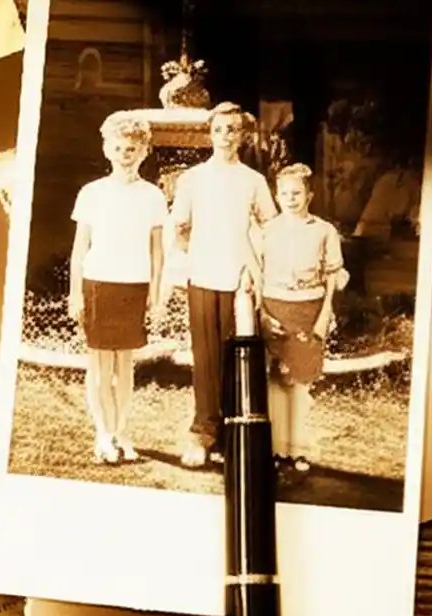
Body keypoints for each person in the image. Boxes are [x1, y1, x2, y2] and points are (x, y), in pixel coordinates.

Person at [170, 102, 278, 468]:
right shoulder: (193, 179)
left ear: (242, 135)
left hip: (240, 280)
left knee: (237, 358)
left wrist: (253, 267)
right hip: (203, 276)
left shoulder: (253, 180)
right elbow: (179, 227)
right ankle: (203, 433)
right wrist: (191, 260)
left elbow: (269, 227)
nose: (226, 136)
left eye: (232, 129)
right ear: (210, 134)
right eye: (219, 129)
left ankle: (232, 437)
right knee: (206, 360)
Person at [68, 113, 167, 463]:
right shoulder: (92, 193)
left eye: (132, 149)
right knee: (100, 367)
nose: (125, 155)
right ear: (107, 149)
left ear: (144, 152)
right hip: (98, 284)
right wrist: (75, 293)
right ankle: (103, 434)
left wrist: (155, 294)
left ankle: (121, 431)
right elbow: (80, 249)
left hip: (133, 286)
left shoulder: (153, 196)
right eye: (119, 148)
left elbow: (157, 252)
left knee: (124, 366)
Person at [259, 163, 348, 472]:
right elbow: (255, 276)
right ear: (276, 195)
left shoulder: (324, 231)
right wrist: (262, 314)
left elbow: (332, 277)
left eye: (297, 193)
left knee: (299, 381)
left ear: (309, 195)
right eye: (284, 193)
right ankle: (275, 447)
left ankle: (298, 448)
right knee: (275, 380)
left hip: (308, 308)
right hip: (274, 307)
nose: (290, 199)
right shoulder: (267, 230)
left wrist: (324, 315)